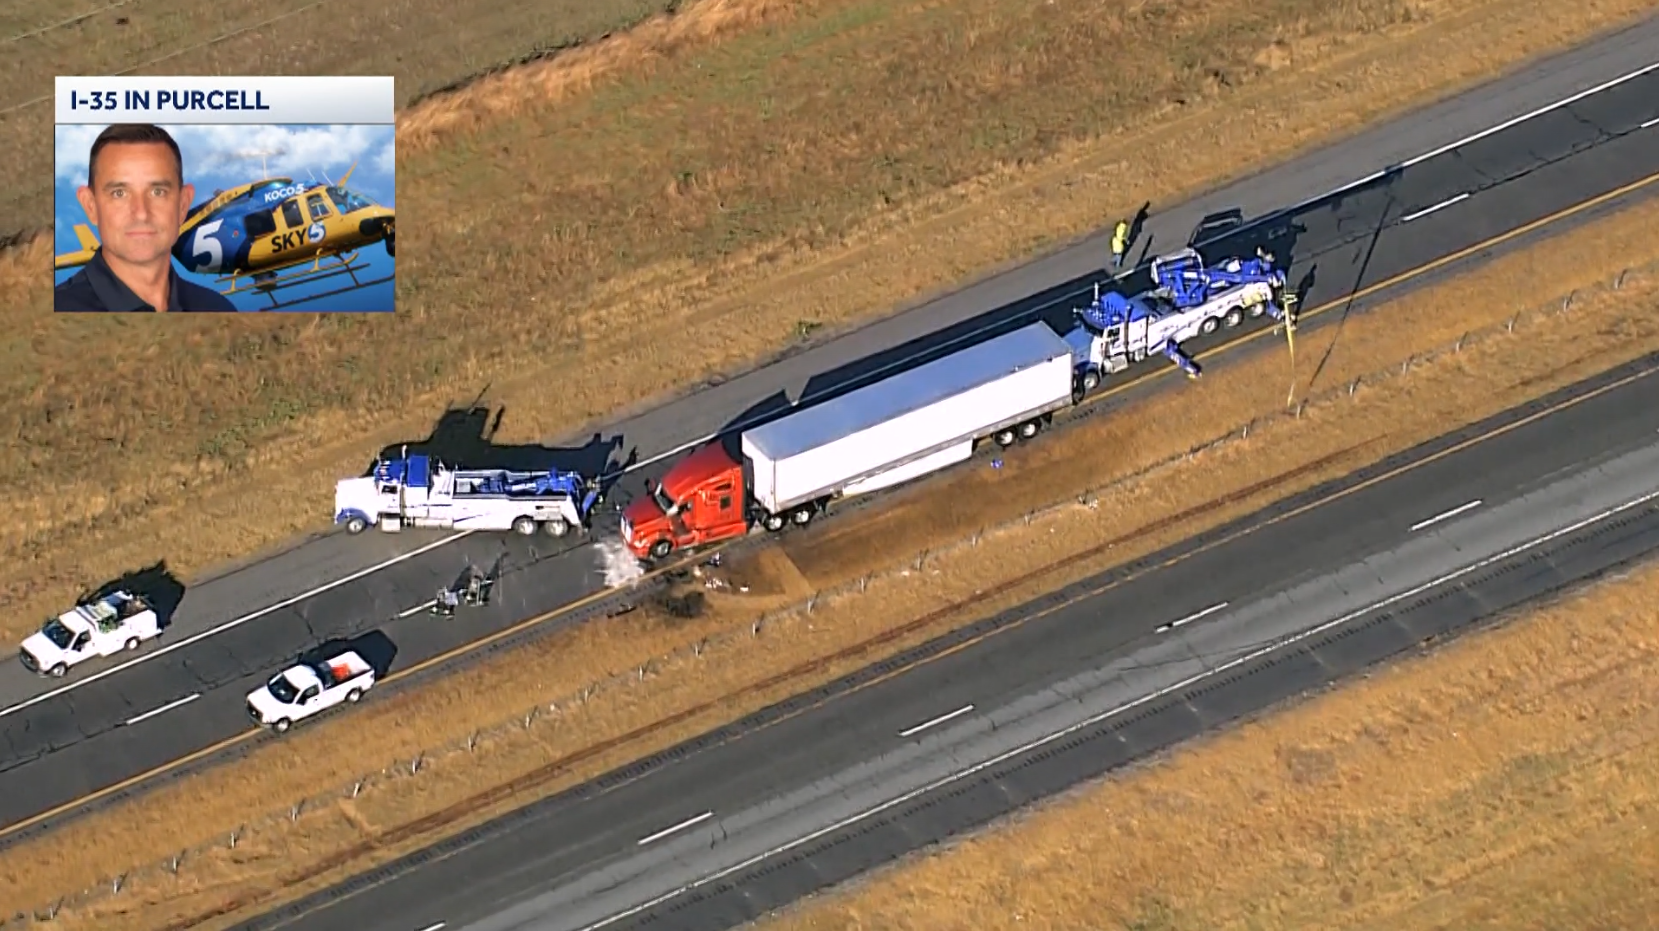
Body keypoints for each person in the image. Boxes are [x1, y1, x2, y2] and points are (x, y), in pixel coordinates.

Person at [54, 123, 238, 313]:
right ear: (90, 206)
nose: (141, 213)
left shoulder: (218, 309)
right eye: (119, 193)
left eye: (158, 192)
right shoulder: (57, 311)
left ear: (183, 205)